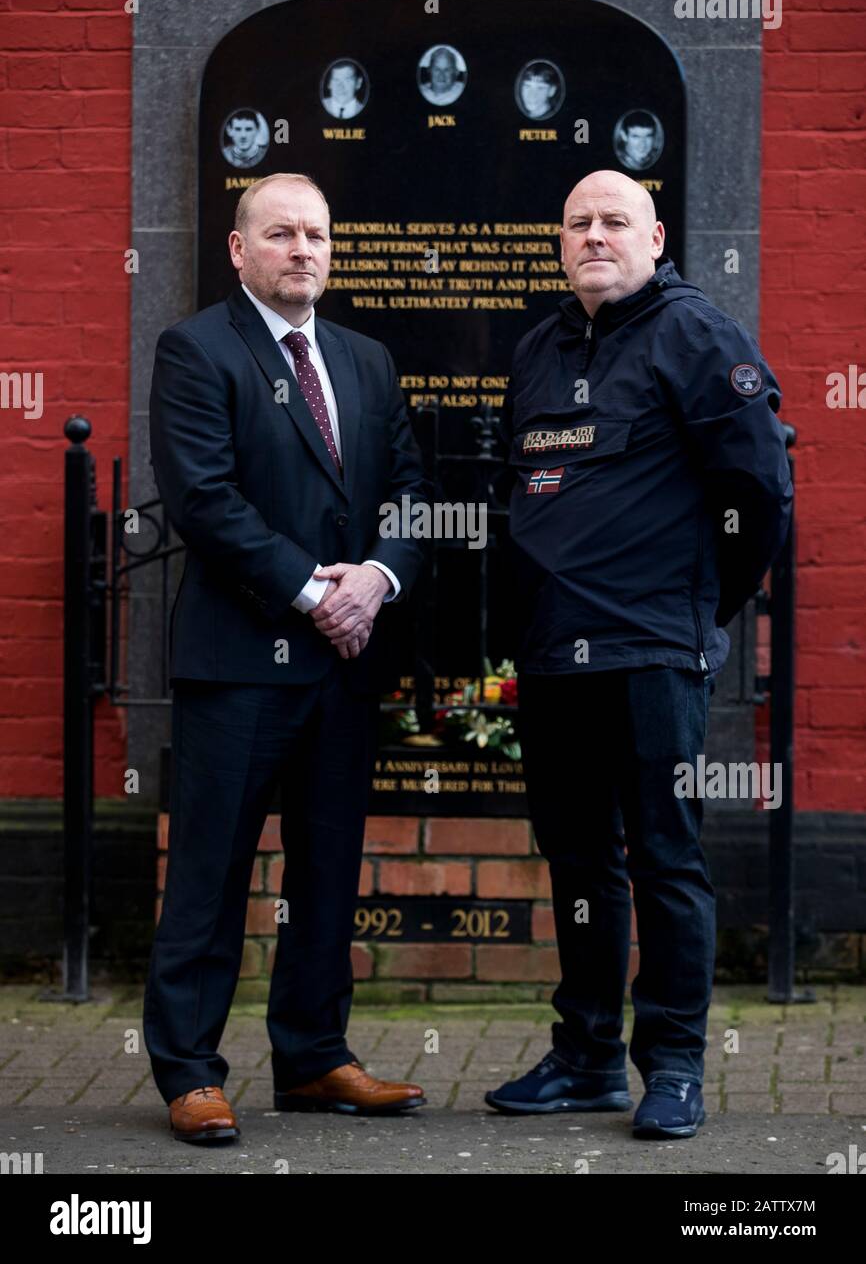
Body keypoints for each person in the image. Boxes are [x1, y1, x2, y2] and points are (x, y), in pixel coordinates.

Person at [486, 170, 792, 1138]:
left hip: (652, 650)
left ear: (654, 237)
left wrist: (702, 607)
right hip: (551, 658)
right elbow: (518, 502)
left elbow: (758, 490)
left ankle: (671, 1066)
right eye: (575, 222)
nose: (592, 235)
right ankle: (582, 1057)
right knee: (578, 862)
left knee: (663, 857)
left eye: (613, 220)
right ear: (558, 241)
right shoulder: (536, 349)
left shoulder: (693, 334)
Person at [144, 172, 432, 1143]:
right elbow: (206, 502)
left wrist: (379, 580)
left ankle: (312, 1058)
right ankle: (188, 1071)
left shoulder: (366, 360)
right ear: (239, 250)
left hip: (339, 671)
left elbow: (408, 491)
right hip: (238, 665)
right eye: (280, 233)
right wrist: (319, 592)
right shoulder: (195, 350)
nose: (301, 249)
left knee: (325, 874)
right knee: (212, 875)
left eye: (315, 233)